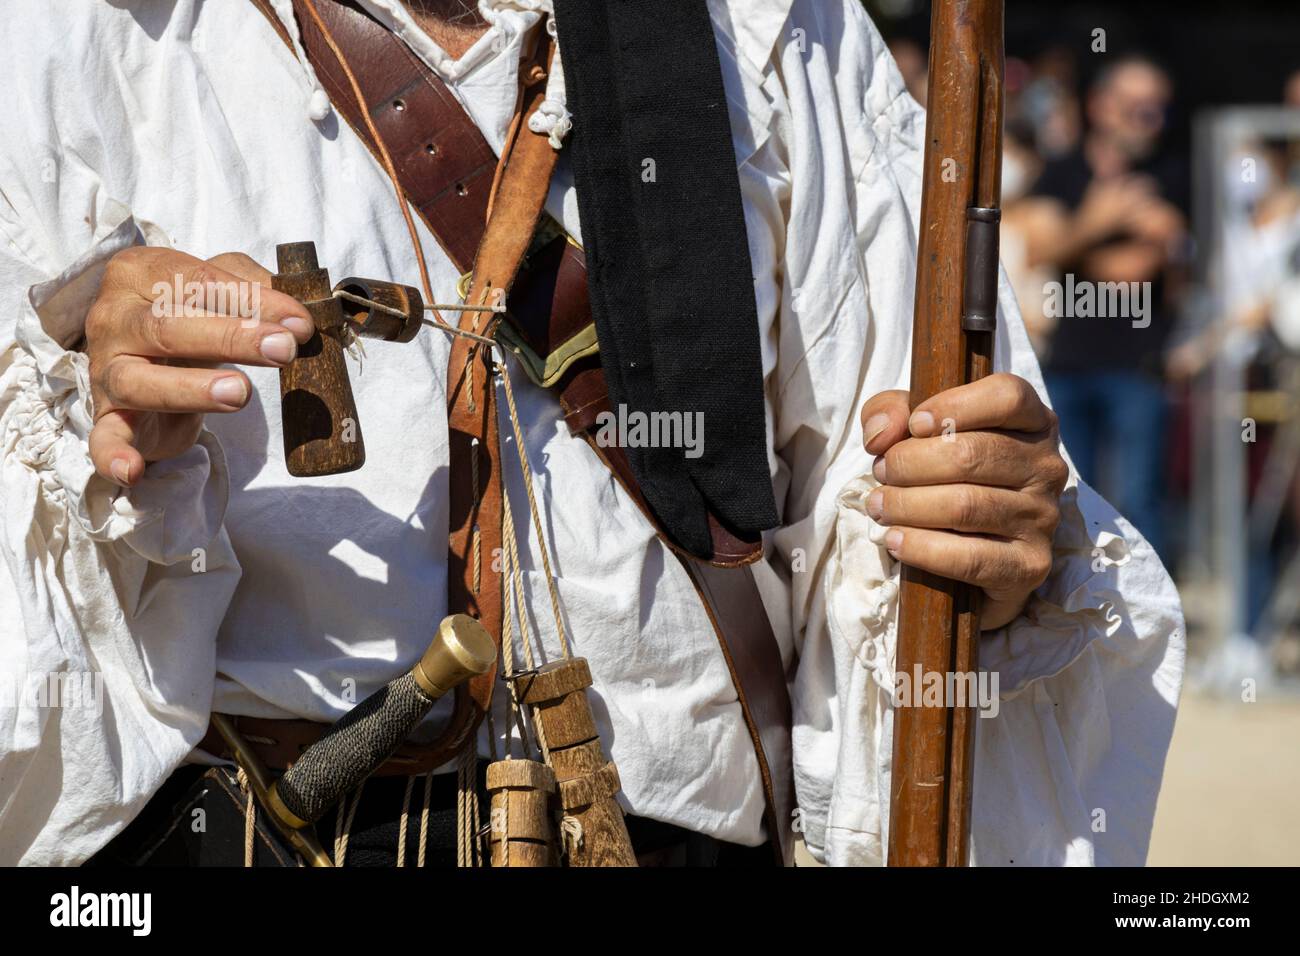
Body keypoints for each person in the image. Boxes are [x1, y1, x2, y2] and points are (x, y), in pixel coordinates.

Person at [0, 0, 1183, 867]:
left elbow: (904, 497)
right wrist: (72, 365)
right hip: (264, 829)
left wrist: (992, 526)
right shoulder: (87, 34)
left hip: (675, 835)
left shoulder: (779, 31)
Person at [1028, 53, 1188, 564]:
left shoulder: (1173, 171)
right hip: (1069, 363)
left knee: (1140, 500)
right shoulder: (1062, 169)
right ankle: (1079, 621)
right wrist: (1103, 221)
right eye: (1135, 106)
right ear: (1100, 106)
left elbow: (1132, 273)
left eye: (1156, 108)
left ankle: (1151, 624)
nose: (1148, 119)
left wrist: (1076, 238)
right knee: (1068, 498)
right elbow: (1034, 247)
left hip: (1138, 367)